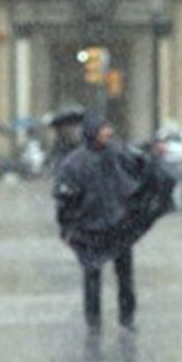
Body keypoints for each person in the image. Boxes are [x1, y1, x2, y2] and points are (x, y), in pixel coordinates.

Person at [54, 115, 160, 332]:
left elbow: (140, 167)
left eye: (108, 129)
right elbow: (65, 198)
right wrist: (66, 226)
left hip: (120, 225)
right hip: (90, 228)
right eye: (103, 130)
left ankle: (127, 317)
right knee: (92, 275)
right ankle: (93, 320)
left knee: (125, 275)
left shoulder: (118, 153)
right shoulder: (75, 162)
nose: (108, 133)